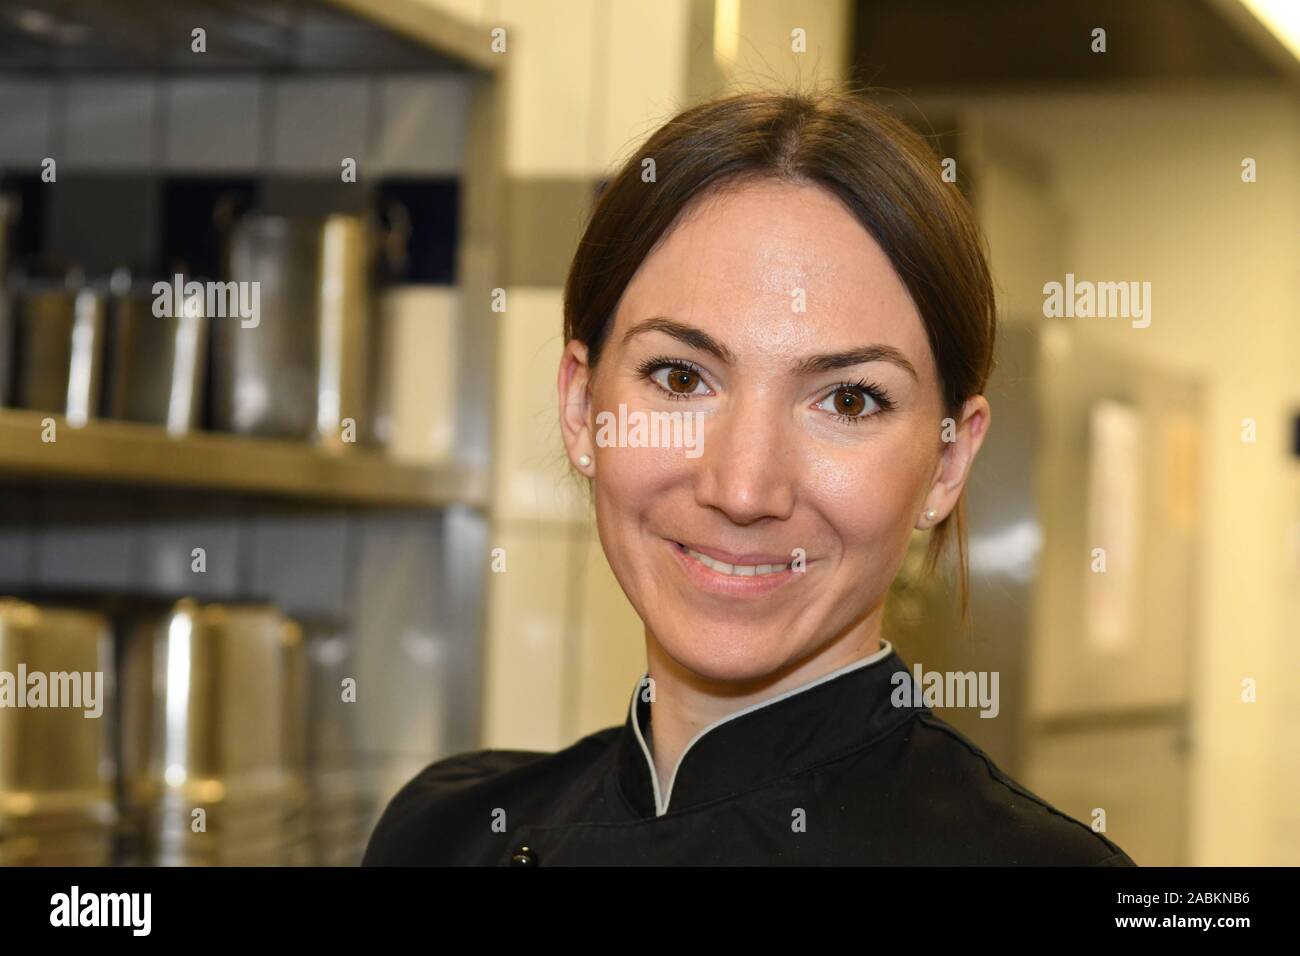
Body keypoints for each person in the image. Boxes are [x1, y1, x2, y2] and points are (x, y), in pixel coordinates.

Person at [362, 87, 1136, 866]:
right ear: (579, 407)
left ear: (948, 462)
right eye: (680, 379)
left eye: (847, 399)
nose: (742, 490)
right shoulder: (445, 836)